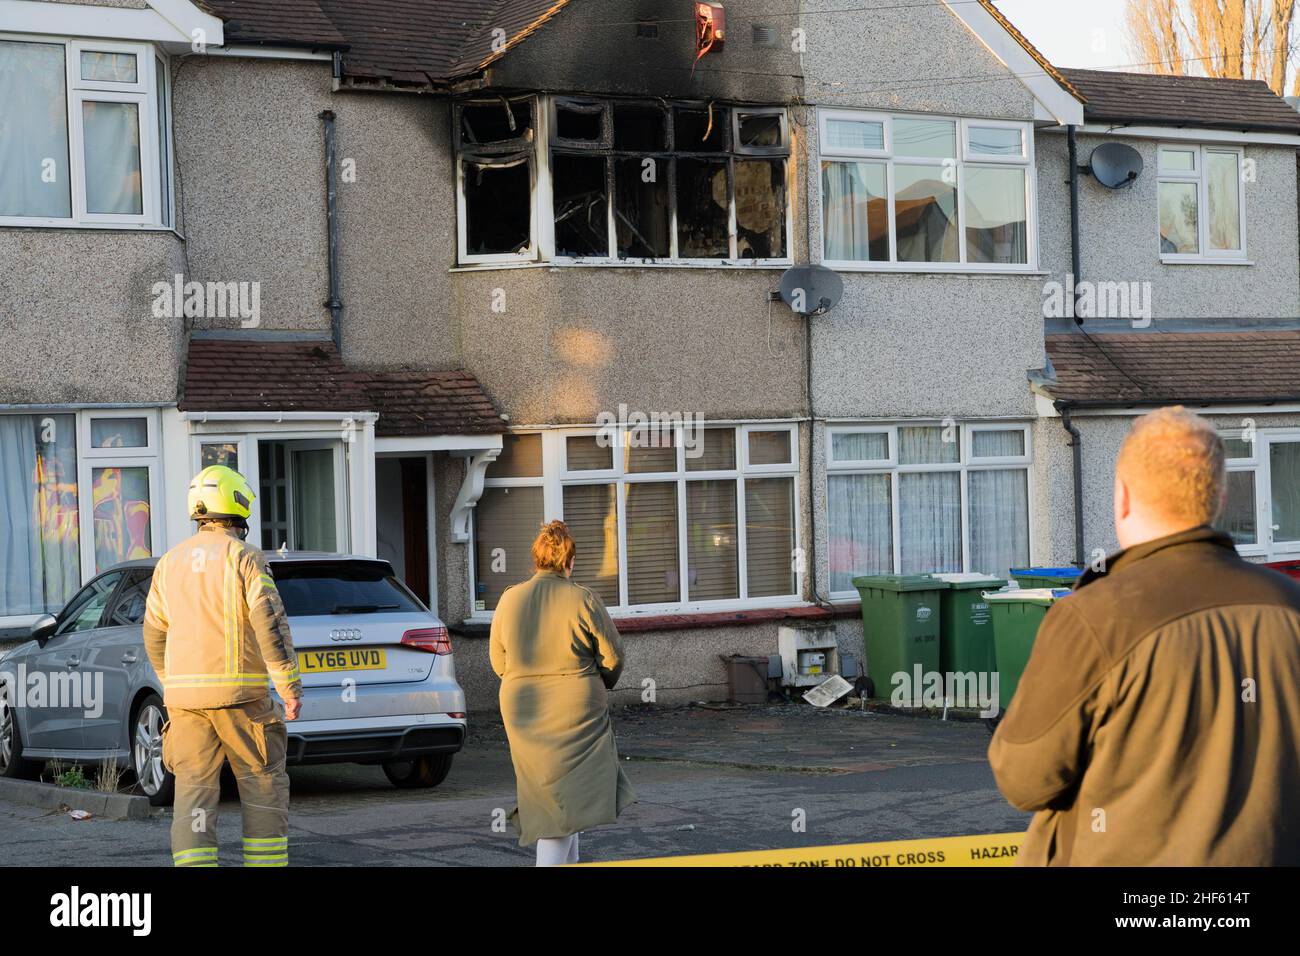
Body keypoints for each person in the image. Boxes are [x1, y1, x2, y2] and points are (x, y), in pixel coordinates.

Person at [989, 407, 1300, 865]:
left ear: (1123, 497)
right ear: (1218, 498)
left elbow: (1025, 779)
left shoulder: (1093, 617)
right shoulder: (1289, 606)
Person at [143, 465, 303, 867]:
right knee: (262, 784)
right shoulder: (245, 557)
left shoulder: (169, 563)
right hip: (241, 699)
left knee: (194, 791)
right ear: (239, 507)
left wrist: (170, 682)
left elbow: (153, 634)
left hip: (185, 702)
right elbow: (271, 625)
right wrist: (289, 687)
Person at [490, 519, 636, 866]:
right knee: (563, 804)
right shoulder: (583, 598)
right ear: (569, 561)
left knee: (556, 799)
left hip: (522, 710)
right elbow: (613, 657)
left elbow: (499, 661)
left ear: (536, 559)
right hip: (577, 711)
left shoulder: (510, 598)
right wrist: (600, 681)